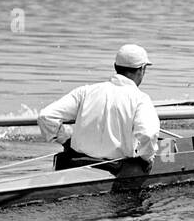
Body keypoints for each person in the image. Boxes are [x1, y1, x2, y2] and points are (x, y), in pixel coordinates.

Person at [37, 43, 159, 172]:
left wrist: (66, 141)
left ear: (115, 67)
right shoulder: (141, 99)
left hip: (74, 163)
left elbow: (46, 117)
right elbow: (148, 134)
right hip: (113, 169)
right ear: (141, 70)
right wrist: (146, 159)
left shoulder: (85, 91)